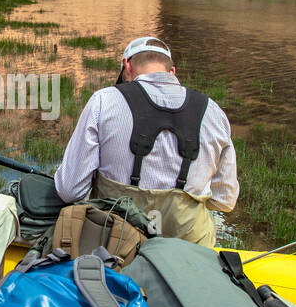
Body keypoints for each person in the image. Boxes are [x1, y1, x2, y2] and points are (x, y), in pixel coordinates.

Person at [53, 36, 238, 246]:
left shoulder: (103, 101)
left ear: (127, 65)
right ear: (172, 72)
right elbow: (225, 201)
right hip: (189, 253)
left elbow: (70, 190)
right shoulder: (213, 112)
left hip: (114, 249)